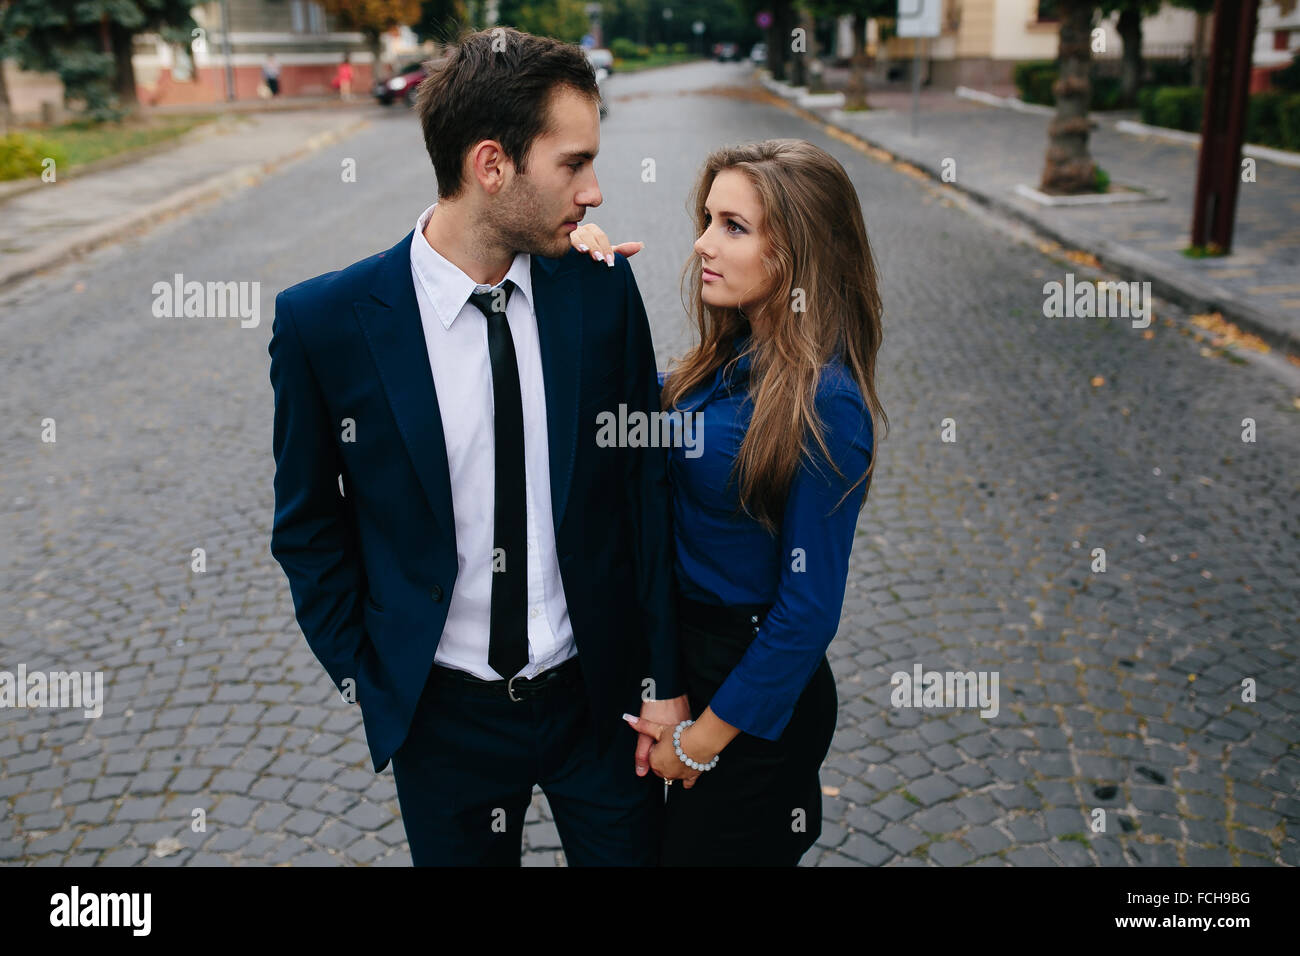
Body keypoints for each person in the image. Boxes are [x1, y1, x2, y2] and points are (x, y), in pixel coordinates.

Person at [268, 27, 687, 866]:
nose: (597, 191)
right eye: (573, 164)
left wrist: (668, 684)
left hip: (599, 705)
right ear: (491, 165)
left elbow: (645, 491)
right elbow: (308, 526)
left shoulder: (600, 290)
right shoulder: (326, 324)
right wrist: (377, 676)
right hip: (442, 721)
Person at [569, 138, 887, 865]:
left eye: (733, 227)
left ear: (798, 254)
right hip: (691, 665)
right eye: (707, 220)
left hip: (751, 704)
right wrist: (582, 278)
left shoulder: (827, 403)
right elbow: (618, 412)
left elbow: (807, 613)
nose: (703, 245)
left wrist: (701, 742)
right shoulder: (726, 360)